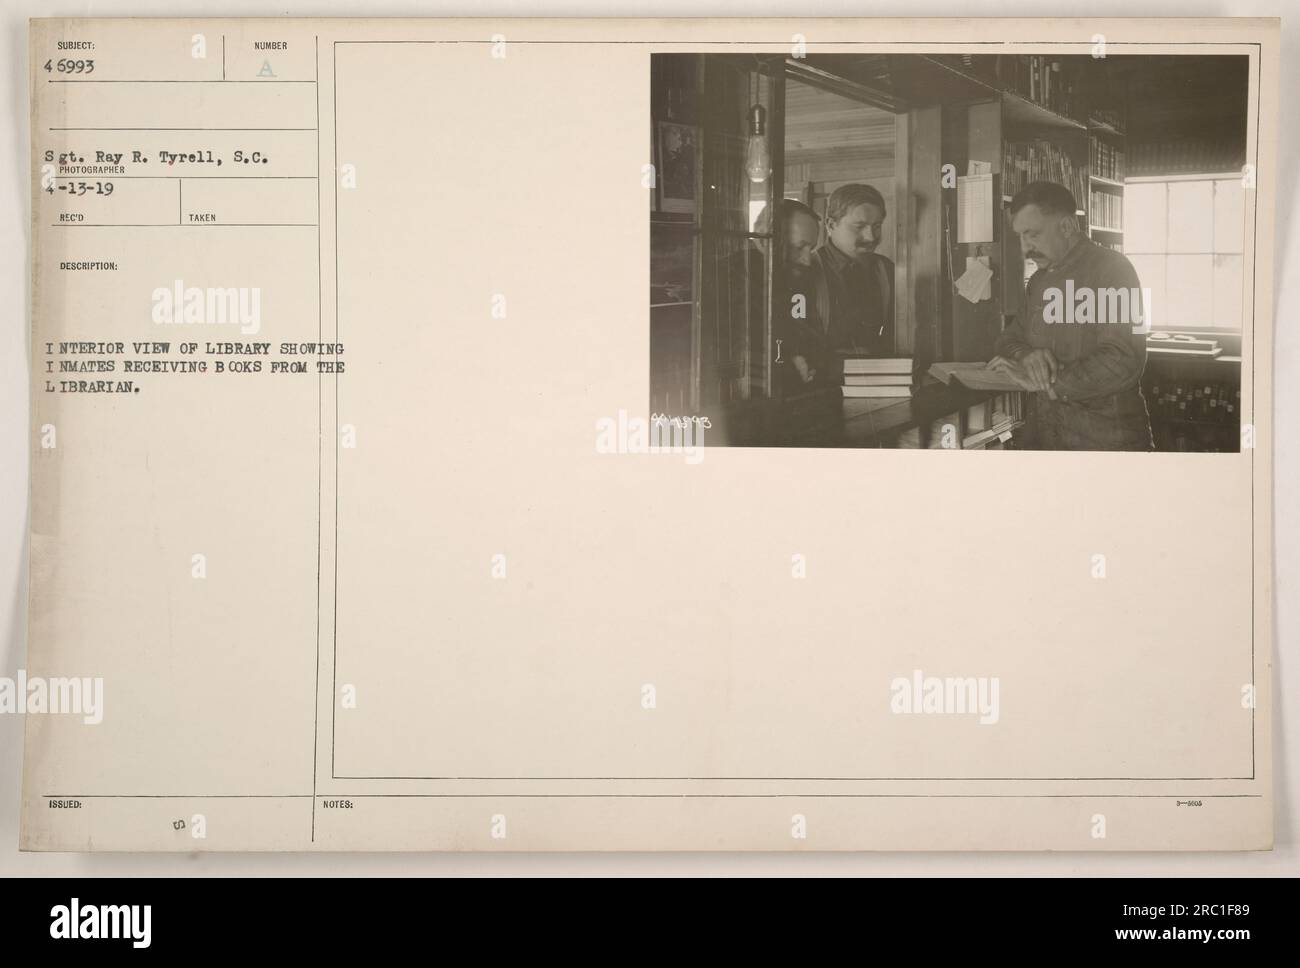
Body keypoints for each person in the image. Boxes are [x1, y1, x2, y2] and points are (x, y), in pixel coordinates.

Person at [989, 181, 1154, 451]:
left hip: (1107, 442)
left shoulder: (1115, 269)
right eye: (1020, 237)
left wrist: (1047, 381)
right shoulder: (1039, 281)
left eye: (1032, 235)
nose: (1024, 248)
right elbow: (1009, 338)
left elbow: (1124, 360)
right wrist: (1025, 356)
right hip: (1048, 437)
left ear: (1066, 227)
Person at [810, 184, 896, 361]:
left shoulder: (886, 270)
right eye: (859, 226)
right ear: (831, 225)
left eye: (877, 226)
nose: (871, 237)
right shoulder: (807, 269)